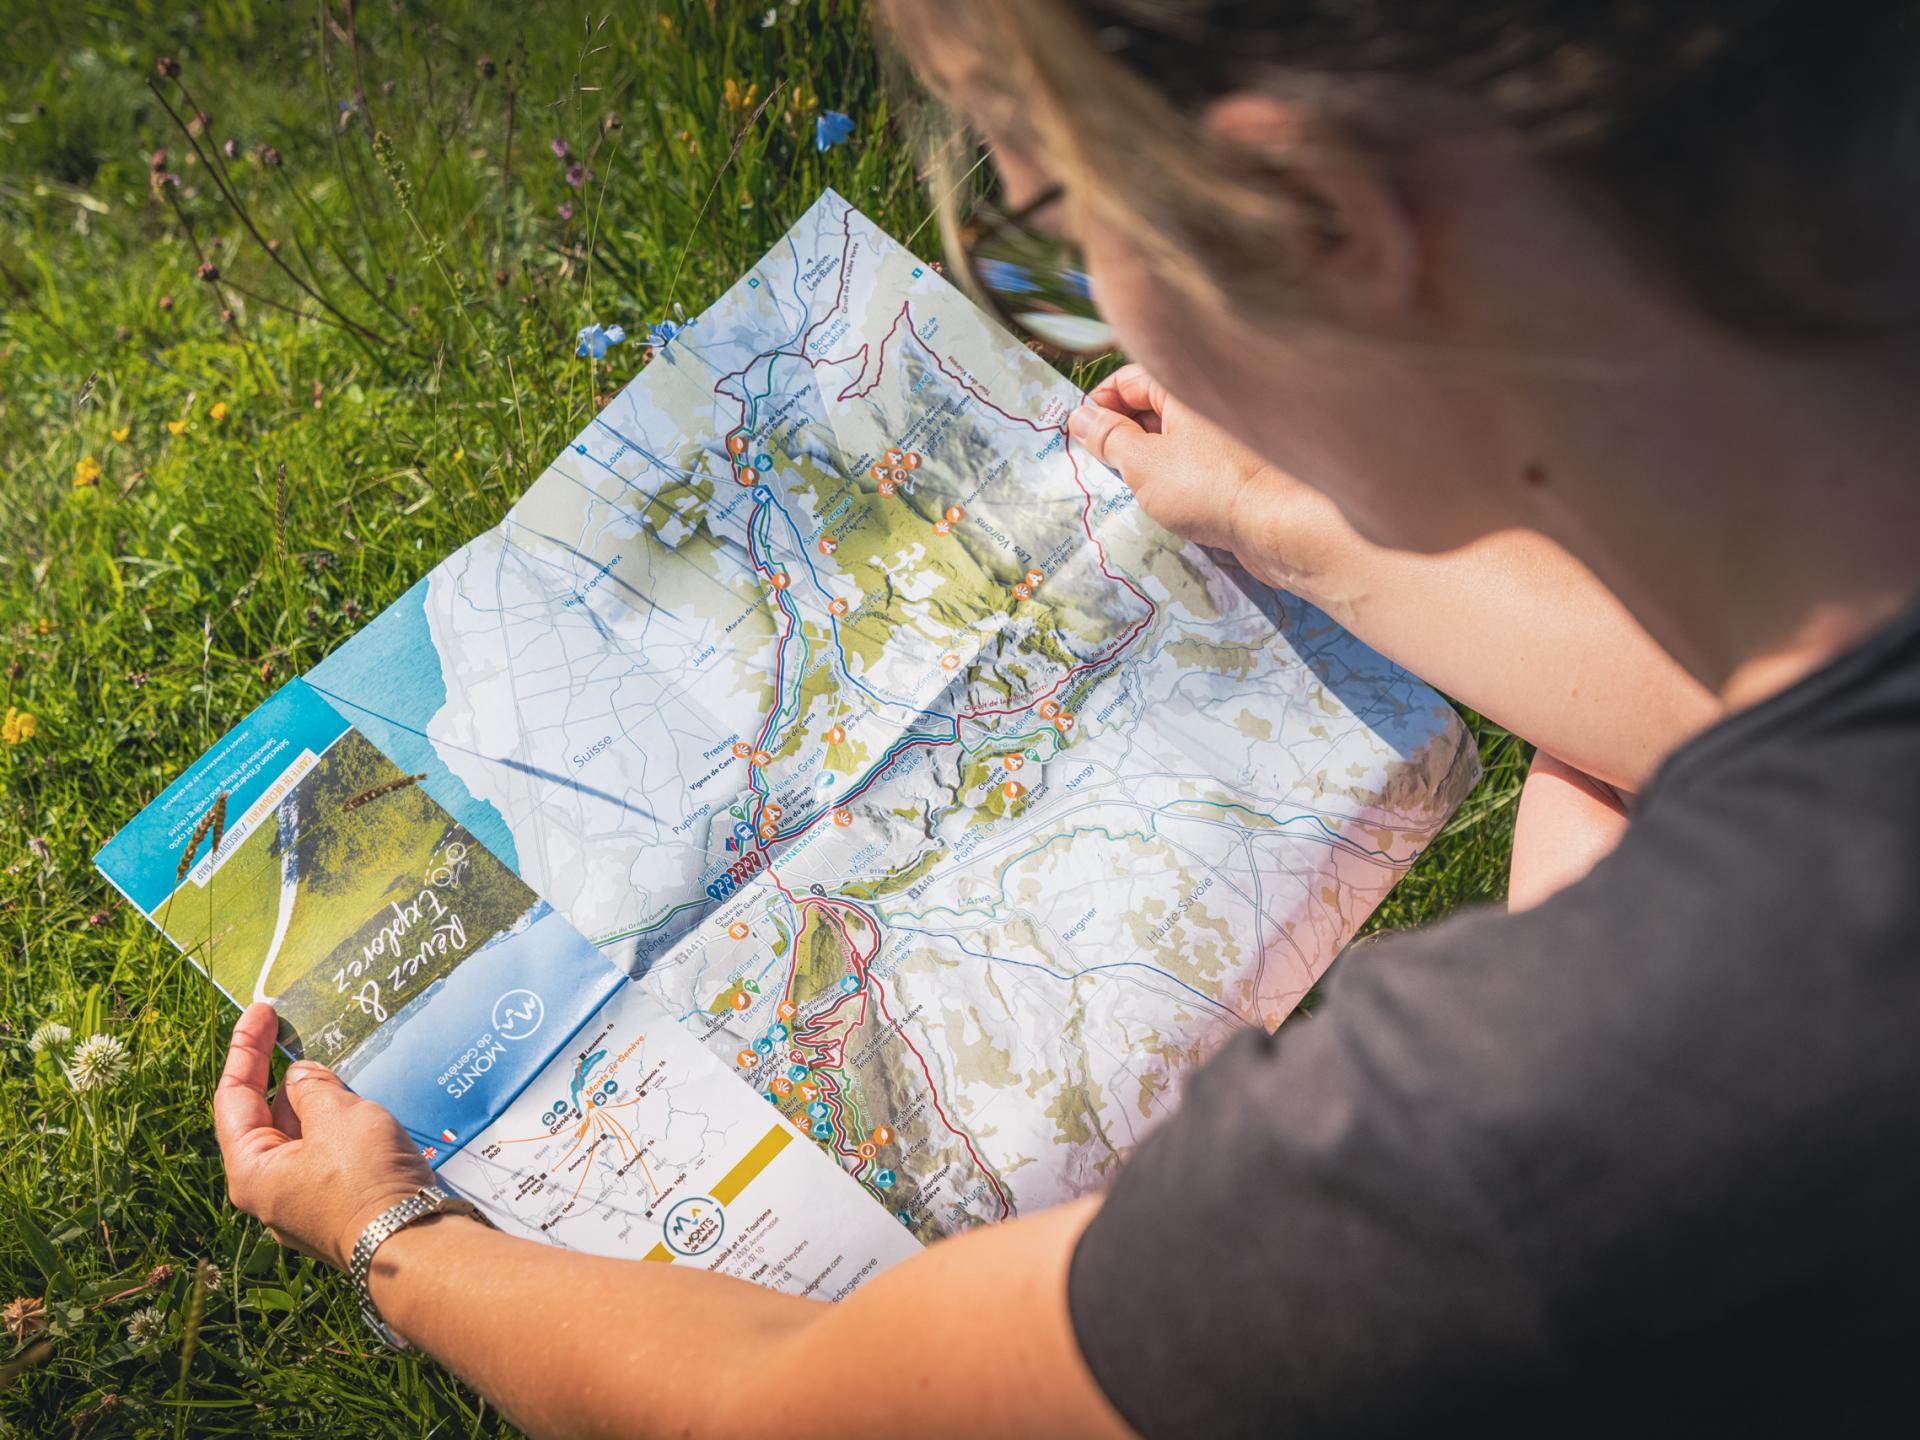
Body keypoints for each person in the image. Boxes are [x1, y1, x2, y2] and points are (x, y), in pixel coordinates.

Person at [213, 1, 1920, 1434]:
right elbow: (1707, 713)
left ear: (1304, 214)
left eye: (1040, 204)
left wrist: (386, 1227)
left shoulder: (1513, 1131)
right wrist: (1298, 534)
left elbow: (789, 1404)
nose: (1057, 273)